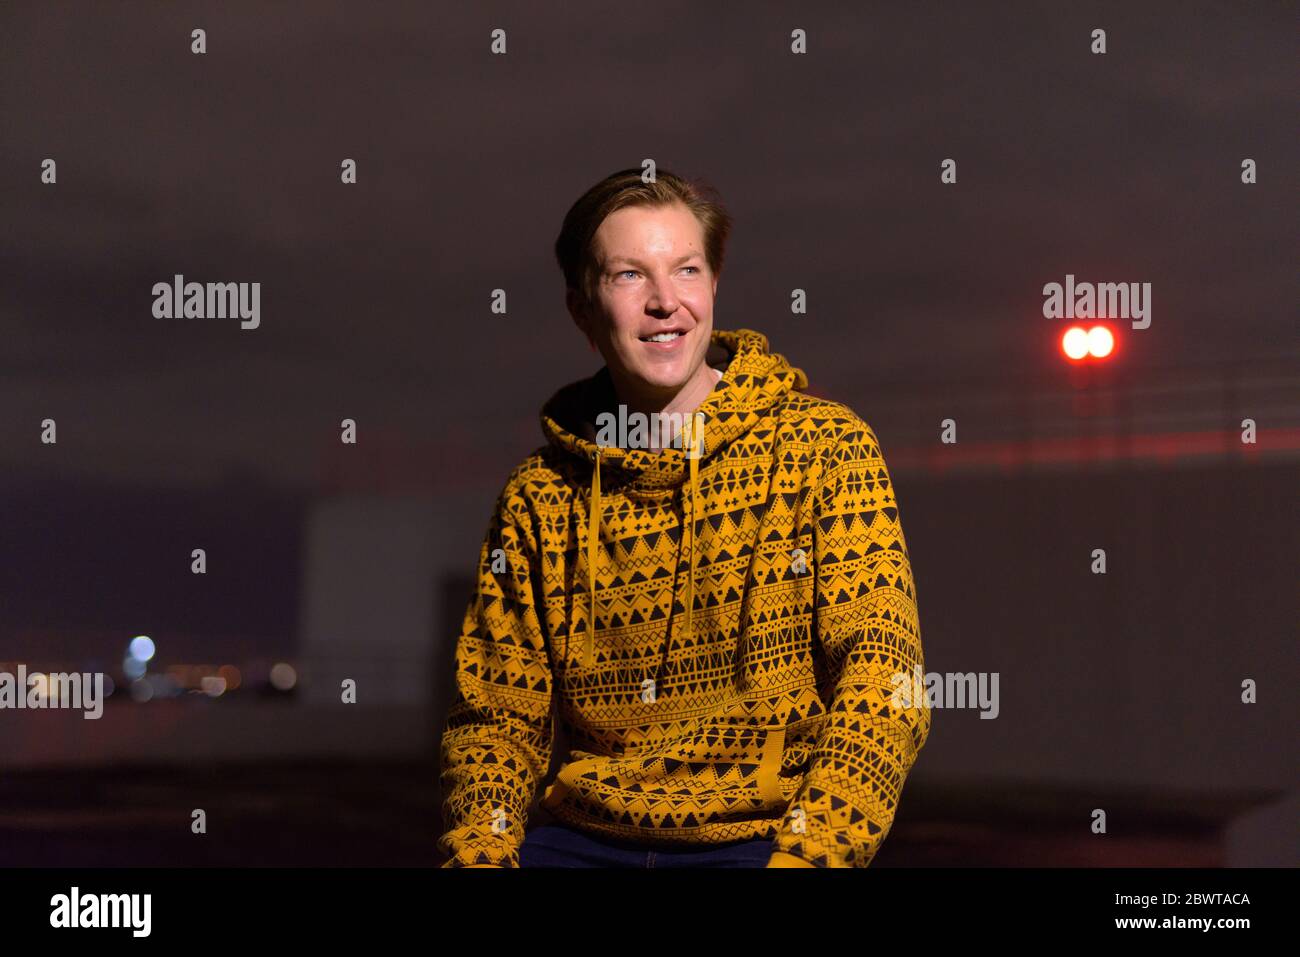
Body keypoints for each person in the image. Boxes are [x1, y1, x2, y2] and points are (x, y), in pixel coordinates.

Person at [436, 167, 930, 868]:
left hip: (763, 838)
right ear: (583, 311)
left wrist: (812, 855)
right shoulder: (539, 495)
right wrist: (482, 852)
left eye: (686, 270)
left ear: (714, 286)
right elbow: (495, 715)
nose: (666, 302)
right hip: (580, 839)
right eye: (630, 275)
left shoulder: (825, 449)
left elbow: (886, 680)